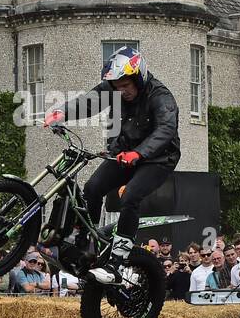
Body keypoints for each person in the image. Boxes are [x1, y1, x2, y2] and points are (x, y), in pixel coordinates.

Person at [44, 46, 180, 285]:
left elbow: (165, 130)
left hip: (158, 159)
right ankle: (87, 243)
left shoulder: (161, 97)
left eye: (126, 86)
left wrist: (139, 153)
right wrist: (61, 113)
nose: (122, 91)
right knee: (92, 188)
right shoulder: (113, 89)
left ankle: (118, 259)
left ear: (139, 78)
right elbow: (88, 102)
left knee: (130, 197)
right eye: (118, 87)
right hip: (124, 153)